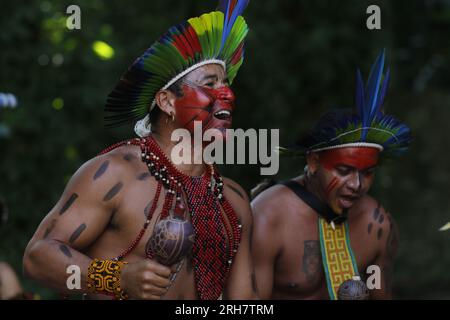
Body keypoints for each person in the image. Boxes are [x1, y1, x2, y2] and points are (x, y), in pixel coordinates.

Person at [24, 0, 257, 300]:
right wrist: (116, 277)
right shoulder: (114, 174)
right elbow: (38, 257)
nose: (227, 93)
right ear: (166, 102)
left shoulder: (233, 201)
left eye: (225, 83)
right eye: (209, 84)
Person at [251, 50, 412, 300]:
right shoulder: (267, 217)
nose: (357, 185)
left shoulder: (378, 224)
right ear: (314, 161)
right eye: (344, 170)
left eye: (367, 173)